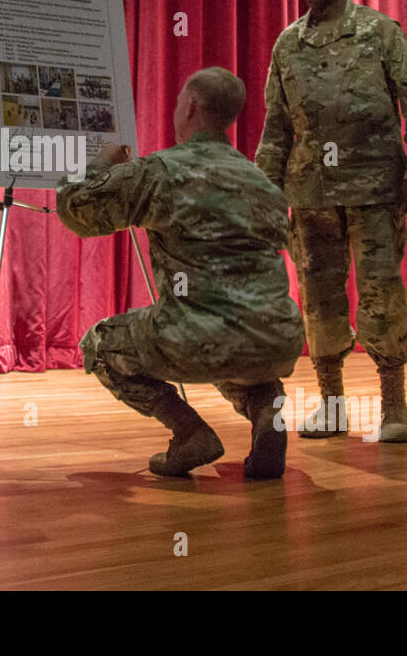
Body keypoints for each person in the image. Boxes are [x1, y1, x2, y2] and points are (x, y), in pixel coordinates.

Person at [56, 68, 305, 479]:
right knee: (240, 345)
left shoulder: (163, 172)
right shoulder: (262, 181)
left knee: (99, 346)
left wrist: (99, 163)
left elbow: (79, 210)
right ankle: (266, 412)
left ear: (189, 107)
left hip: (199, 339)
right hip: (276, 339)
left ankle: (190, 432)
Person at [256, 0, 407, 442]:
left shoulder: (380, 32)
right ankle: (332, 405)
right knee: (319, 300)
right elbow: (276, 129)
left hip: (374, 190)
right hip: (311, 194)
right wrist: (265, 195)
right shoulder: (287, 45)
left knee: (382, 294)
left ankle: (393, 406)